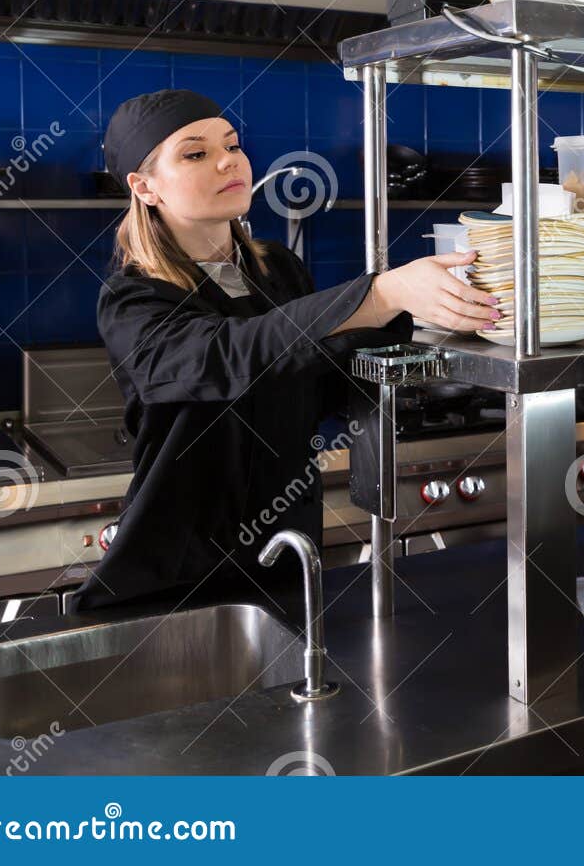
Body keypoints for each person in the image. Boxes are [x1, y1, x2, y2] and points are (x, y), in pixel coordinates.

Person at [71, 89, 501, 612]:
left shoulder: (275, 270)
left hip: (284, 559)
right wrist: (380, 294)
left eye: (232, 145)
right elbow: (227, 357)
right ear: (145, 187)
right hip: (177, 578)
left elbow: (321, 380)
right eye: (196, 153)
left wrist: (429, 322)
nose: (229, 160)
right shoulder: (132, 298)